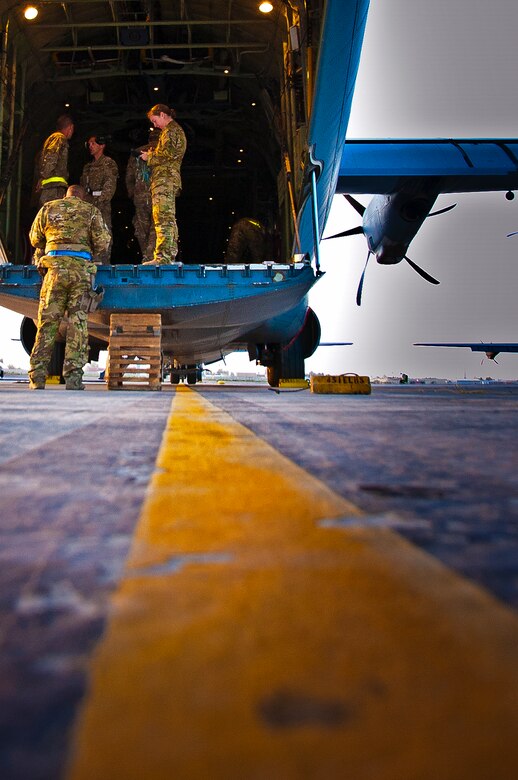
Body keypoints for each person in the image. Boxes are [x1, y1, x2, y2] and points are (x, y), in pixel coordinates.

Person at [28, 184, 111, 390]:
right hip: (80, 272)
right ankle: (74, 379)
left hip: (54, 271)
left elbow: (35, 239)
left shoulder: (49, 208)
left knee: (47, 324)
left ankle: (37, 377)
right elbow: (102, 242)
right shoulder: (91, 211)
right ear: (82, 197)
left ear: (66, 195)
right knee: (78, 324)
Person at [140, 104, 186, 265]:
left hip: (165, 180)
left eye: (155, 120)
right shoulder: (172, 131)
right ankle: (168, 255)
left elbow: (168, 155)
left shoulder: (171, 131)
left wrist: (149, 157)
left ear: (162, 115)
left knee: (163, 218)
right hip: (166, 180)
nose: (155, 125)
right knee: (167, 218)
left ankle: (163, 257)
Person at [80, 135, 118, 263]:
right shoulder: (87, 167)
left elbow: (110, 186)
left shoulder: (108, 163)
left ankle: (104, 264)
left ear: (101, 145)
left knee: (103, 233)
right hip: (87, 204)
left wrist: (100, 201)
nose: (90, 146)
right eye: (89, 144)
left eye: (93, 143)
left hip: (101, 205)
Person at [125, 128, 160, 262]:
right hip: (158, 196)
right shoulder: (163, 152)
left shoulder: (137, 152)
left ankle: (146, 256)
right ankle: (152, 256)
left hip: (140, 196)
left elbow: (129, 176)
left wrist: (132, 193)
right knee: (156, 227)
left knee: (141, 227)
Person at [37, 114, 75, 206]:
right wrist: (45, 176)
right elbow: (51, 157)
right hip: (53, 189)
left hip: (52, 187)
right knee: (54, 213)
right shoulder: (59, 138)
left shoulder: (53, 138)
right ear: (70, 127)